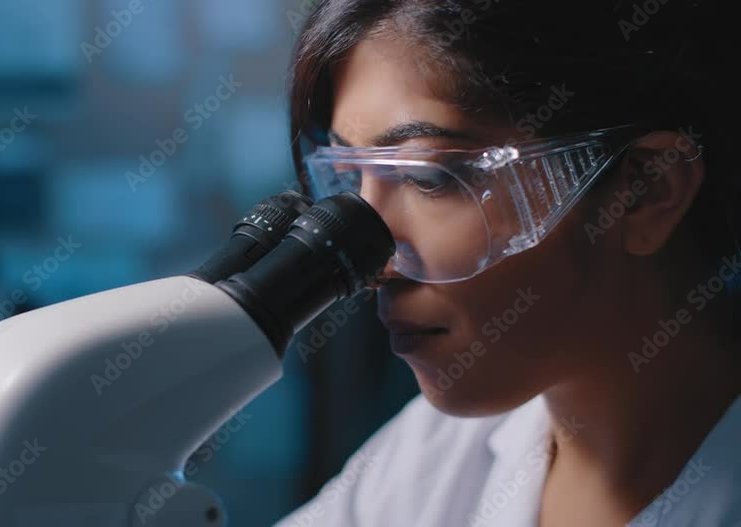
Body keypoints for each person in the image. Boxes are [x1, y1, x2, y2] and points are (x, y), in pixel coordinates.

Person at [276, 1, 739, 525]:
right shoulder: (434, 458)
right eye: (349, 177)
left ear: (646, 191)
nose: (373, 266)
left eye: (429, 179)